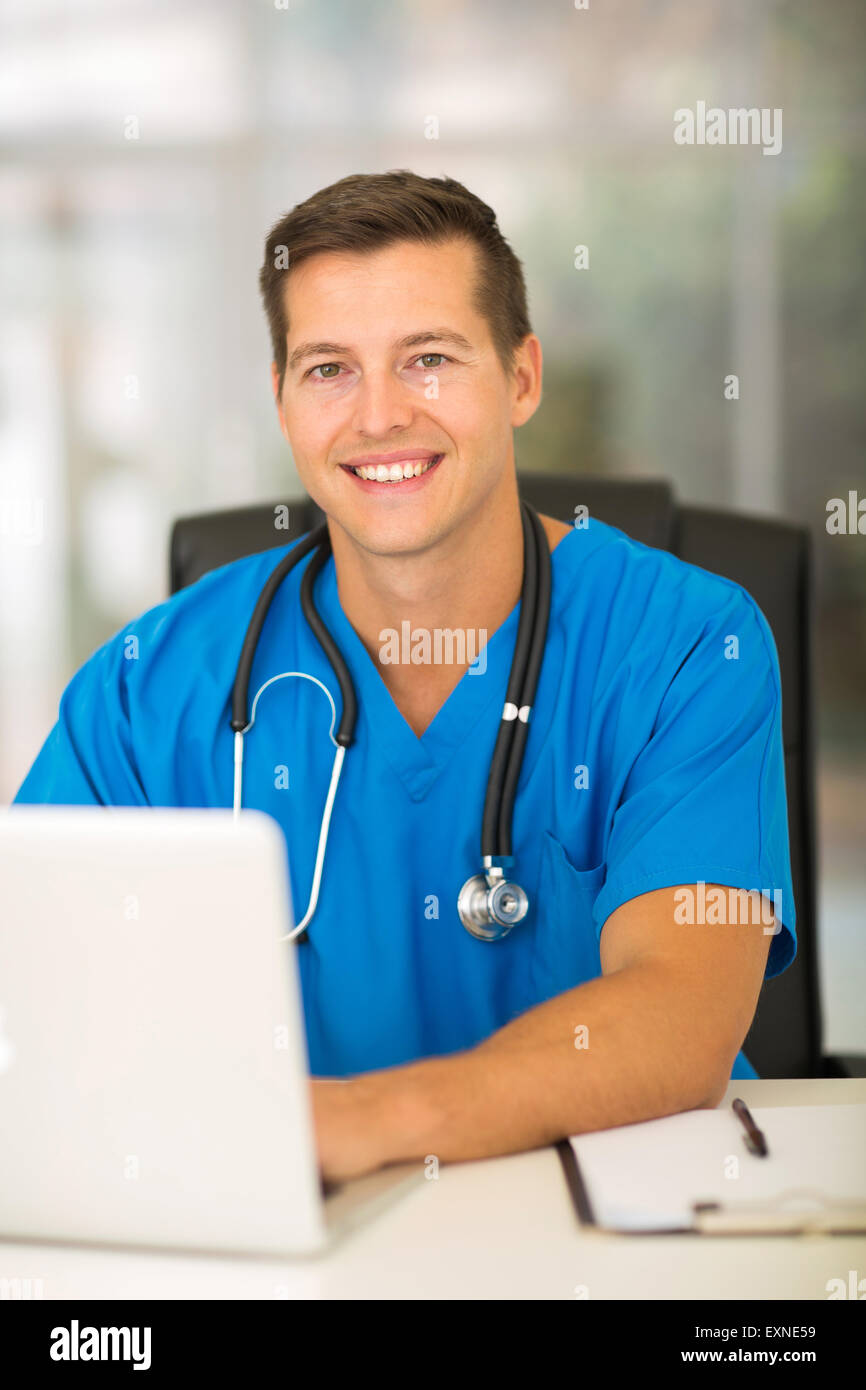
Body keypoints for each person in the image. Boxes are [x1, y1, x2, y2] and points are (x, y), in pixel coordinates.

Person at [14, 170, 796, 1182]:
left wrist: (351, 1126)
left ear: (520, 378)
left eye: (427, 359)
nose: (378, 416)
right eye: (329, 368)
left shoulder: (692, 643)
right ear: (283, 400)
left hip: (614, 1217)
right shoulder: (148, 683)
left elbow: (679, 1015)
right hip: (282, 1230)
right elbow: (35, 999)